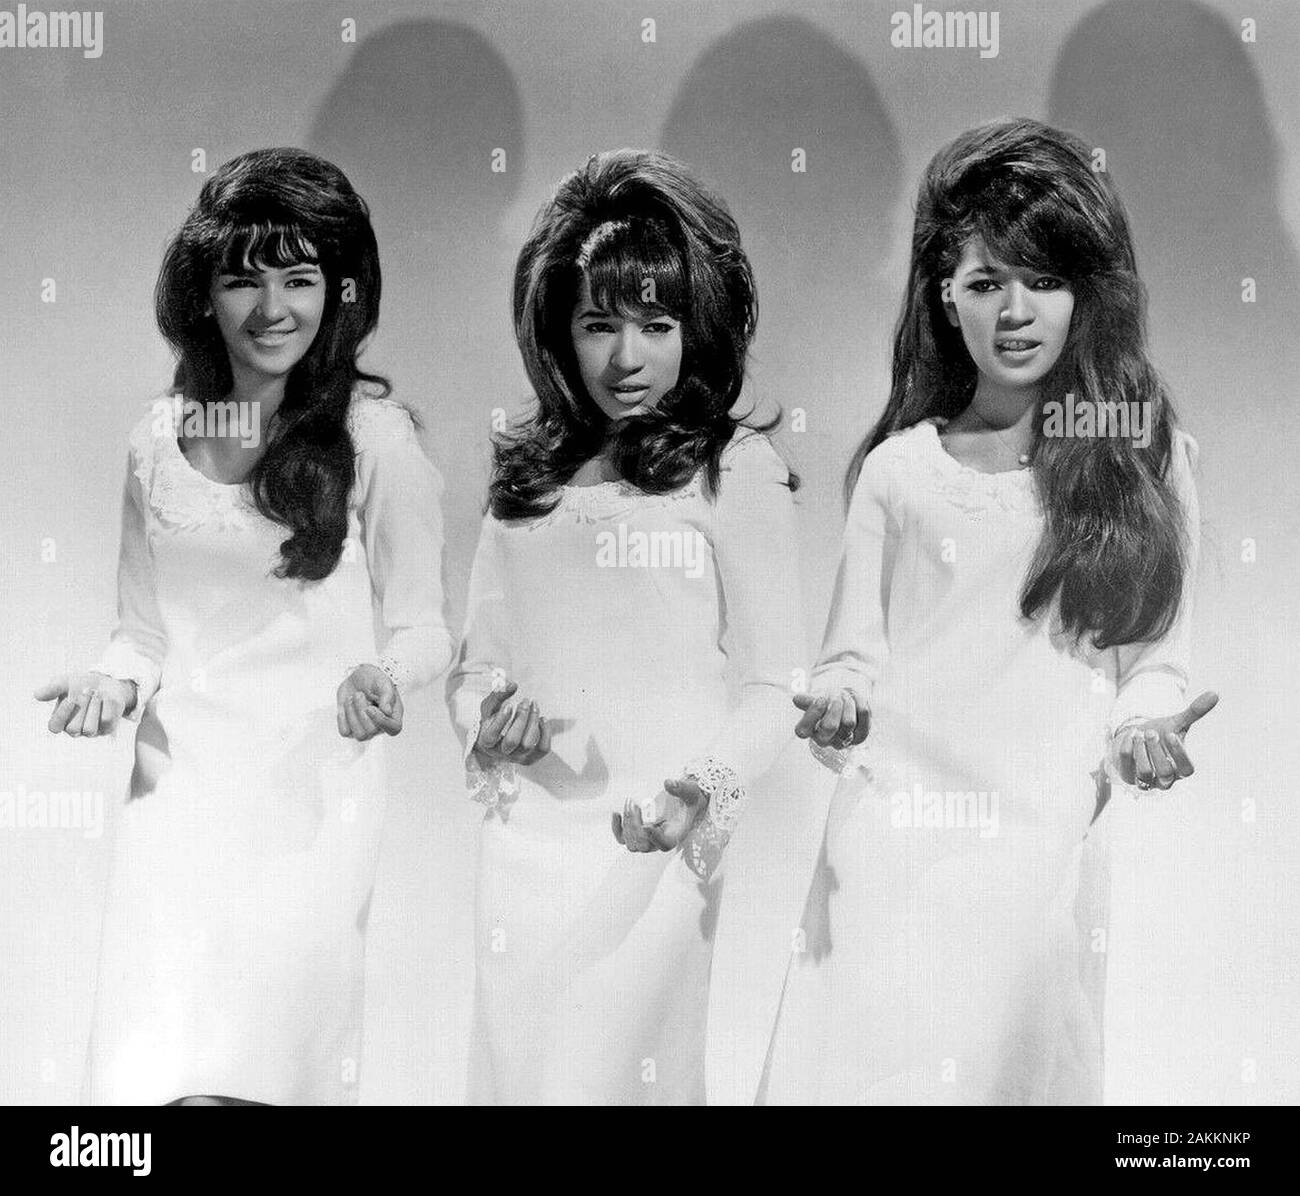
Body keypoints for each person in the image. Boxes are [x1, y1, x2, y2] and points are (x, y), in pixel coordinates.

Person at [770, 118, 1217, 1104]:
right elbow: (849, 658)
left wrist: (1143, 728)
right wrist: (834, 700)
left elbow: (1155, 658)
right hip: (888, 853)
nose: (1015, 310)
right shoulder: (898, 471)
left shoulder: (1142, 455)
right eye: (984, 282)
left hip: (1038, 854)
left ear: (1085, 291)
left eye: (1043, 280)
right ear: (943, 295)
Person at [35, 147, 453, 1105]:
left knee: (265, 1078)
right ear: (203, 293)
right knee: (158, 1088)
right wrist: (111, 683)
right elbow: (139, 634)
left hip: (307, 806)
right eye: (243, 279)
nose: (273, 310)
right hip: (174, 803)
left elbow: (427, 627)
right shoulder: (156, 436)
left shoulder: (374, 438)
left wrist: (382, 677)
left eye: (300, 279)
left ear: (338, 292)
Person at [446, 149, 802, 1104]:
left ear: (700, 326)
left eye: (655, 323)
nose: (625, 358)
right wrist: (486, 725)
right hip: (524, 854)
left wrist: (704, 787)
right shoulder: (528, 483)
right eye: (599, 325)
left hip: (655, 844)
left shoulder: (736, 470)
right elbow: (477, 667)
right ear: (559, 332)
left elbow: (775, 689)